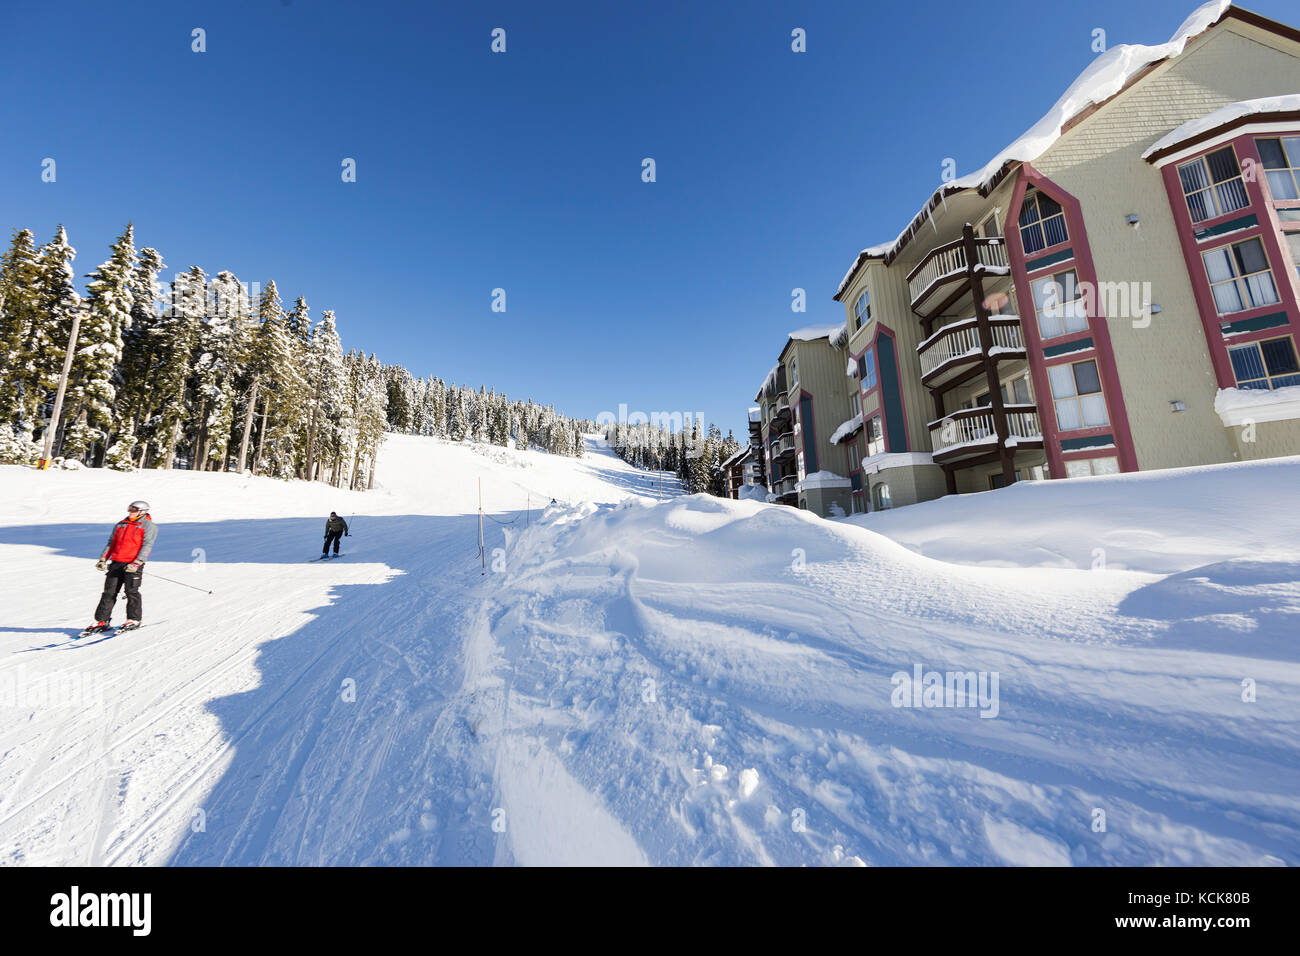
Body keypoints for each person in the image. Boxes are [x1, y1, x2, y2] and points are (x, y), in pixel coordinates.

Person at [85, 500, 158, 634]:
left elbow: (147, 545)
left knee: (131, 592)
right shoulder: (121, 524)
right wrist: (103, 558)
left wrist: (137, 562)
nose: (130, 512)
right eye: (129, 509)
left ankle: (134, 619)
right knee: (109, 592)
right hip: (116, 562)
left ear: (142, 512)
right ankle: (101, 620)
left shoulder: (148, 526)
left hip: (133, 564)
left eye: (134, 510)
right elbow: (111, 543)